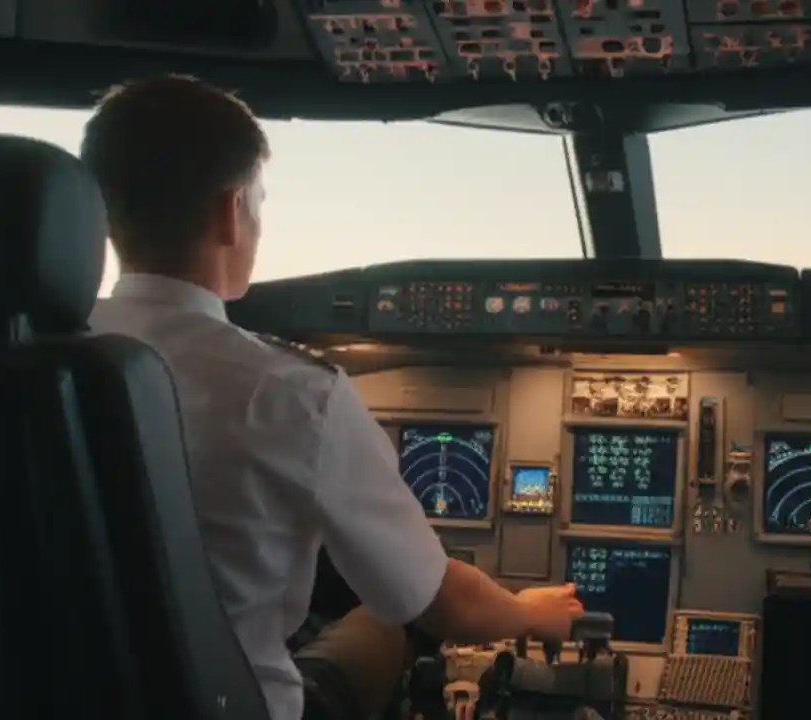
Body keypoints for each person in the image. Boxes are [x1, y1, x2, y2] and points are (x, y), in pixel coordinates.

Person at [81, 75, 584, 720]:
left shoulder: (36, 359)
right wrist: (529, 612)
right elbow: (443, 603)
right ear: (230, 213)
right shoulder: (292, 391)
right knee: (386, 621)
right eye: (258, 203)